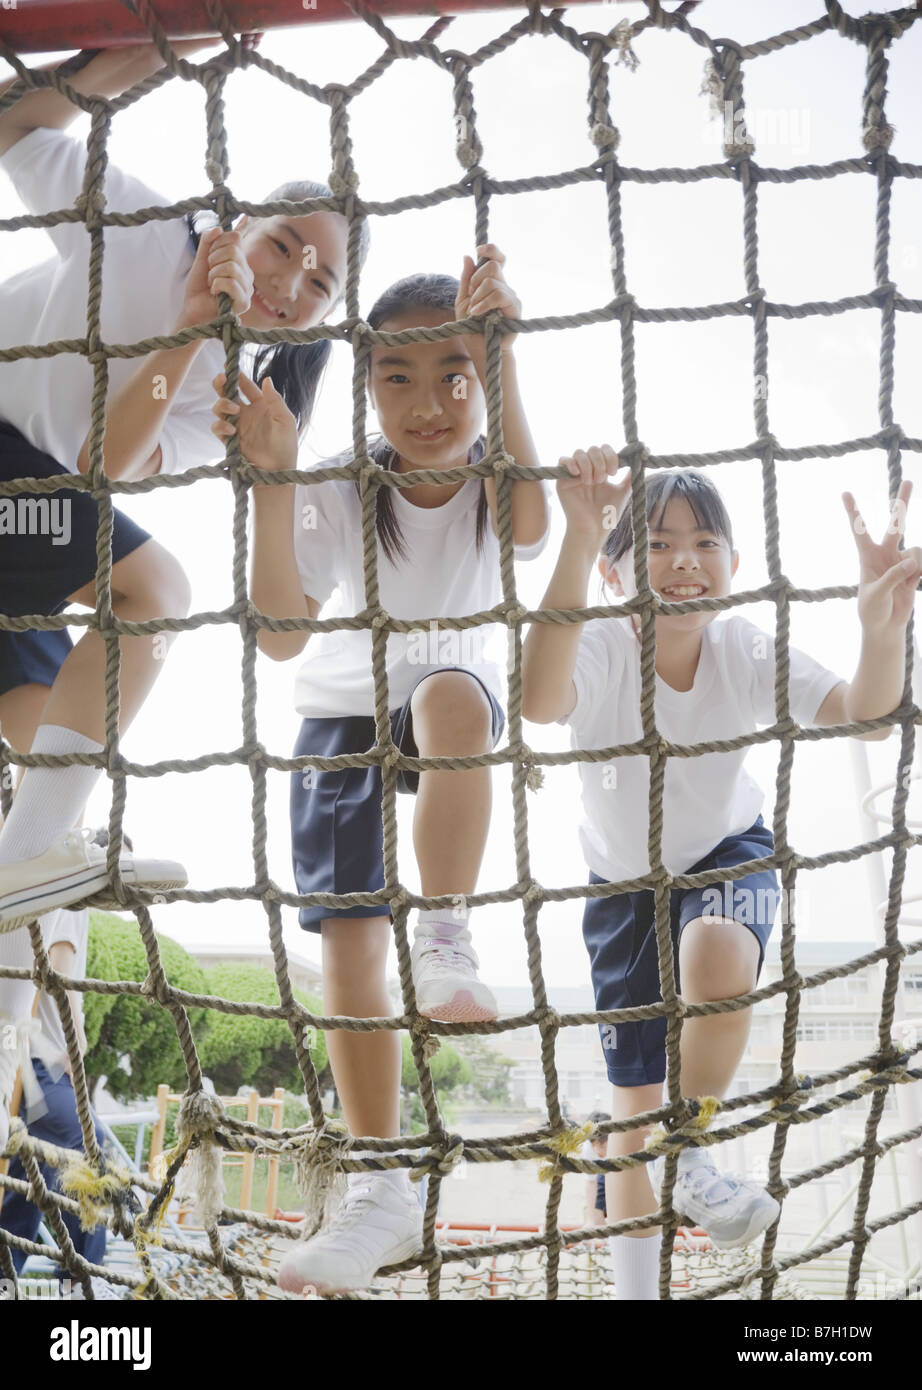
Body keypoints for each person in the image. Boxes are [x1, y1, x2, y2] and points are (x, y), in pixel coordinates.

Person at [0, 40, 358, 1151]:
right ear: (239, 223)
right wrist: (138, 48)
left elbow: (105, 461)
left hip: (29, 510)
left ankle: (16, 1022)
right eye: (284, 244)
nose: (293, 279)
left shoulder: (229, 390)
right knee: (157, 584)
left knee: (48, 774)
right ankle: (33, 866)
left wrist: (197, 339)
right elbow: (13, 115)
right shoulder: (150, 226)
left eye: (321, 279)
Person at [211, 249, 549, 1293]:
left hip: (442, 694)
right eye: (395, 378)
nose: (428, 401)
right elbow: (275, 631)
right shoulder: (347, 485)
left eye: (452, 374)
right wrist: (271, 482)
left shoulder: (493, 478)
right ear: (366, 389)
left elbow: (534, 526)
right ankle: (379, 1183)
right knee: (350, 948)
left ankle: (444, 932)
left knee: (452, 694)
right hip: (340, 708)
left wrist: (503, 358)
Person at [522, 446, 921, 1300]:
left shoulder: (741, 646)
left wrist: (880, 630)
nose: (683, 562)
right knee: (633, 1109)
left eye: (704, 543)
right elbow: (539, 701)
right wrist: (577, 535)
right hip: (621, 889)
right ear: (613, 568)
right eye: (657, 544)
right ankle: (639, 1279)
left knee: (713, 953)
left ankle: (691, 1149)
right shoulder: (596, 642)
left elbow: (866, 717)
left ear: (734, 565)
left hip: (726, 853)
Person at [0, 907, 120, 1299]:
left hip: (23, 1061)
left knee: (26, 1183)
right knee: (90, 1149)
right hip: (35, 1066)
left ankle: (3, 1282)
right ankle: (79, 1285)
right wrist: (76, 1038)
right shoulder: (72, 901)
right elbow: (59, 968)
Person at [583, 1110, 609, 1226]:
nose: (598, 1150)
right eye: (594, 1145)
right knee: (596, 1217)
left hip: (621, 1172)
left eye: (602, 1145)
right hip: (602, 1173)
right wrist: (590, 1219)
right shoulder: (588, 1148)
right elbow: (591, 1182)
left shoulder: (620, 1143)